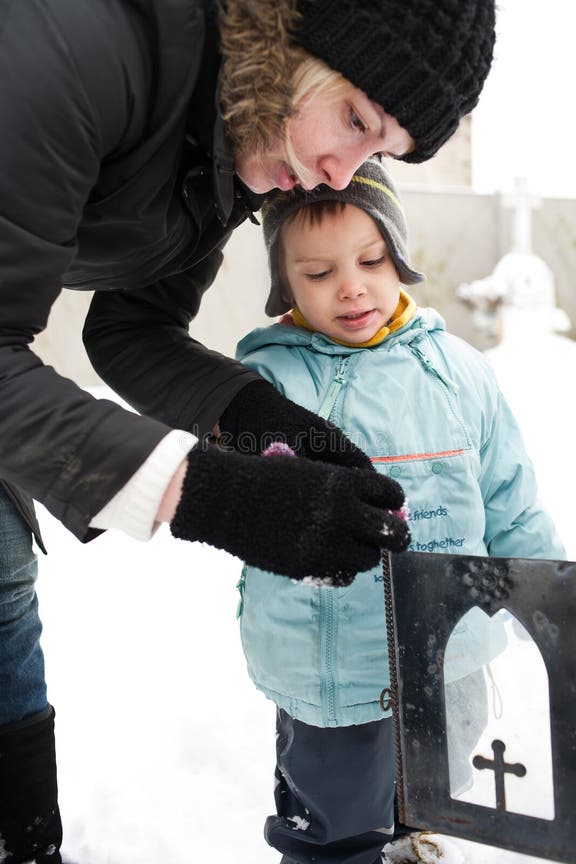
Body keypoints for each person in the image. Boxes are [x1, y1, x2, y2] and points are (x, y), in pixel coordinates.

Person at [0, 0, 497, 860]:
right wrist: (216, 495)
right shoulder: (72, 42)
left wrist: (280, 428)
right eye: (354, 121)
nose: (344, 175)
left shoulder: (242, 134)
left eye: (378, 154)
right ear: (294, 38)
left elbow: (129, 330)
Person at [233, 158, 566, 864]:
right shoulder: (269, 384)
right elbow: (246, 497)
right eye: (319, 273)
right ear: (284, 286)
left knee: (431, 790)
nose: (351, 286)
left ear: (400, 257)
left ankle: (412, 838)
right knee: (338, 822)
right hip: (330, 678)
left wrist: (548, 594)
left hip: (449, 663)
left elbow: (510, 498)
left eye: (372, 259)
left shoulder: (461, 373)